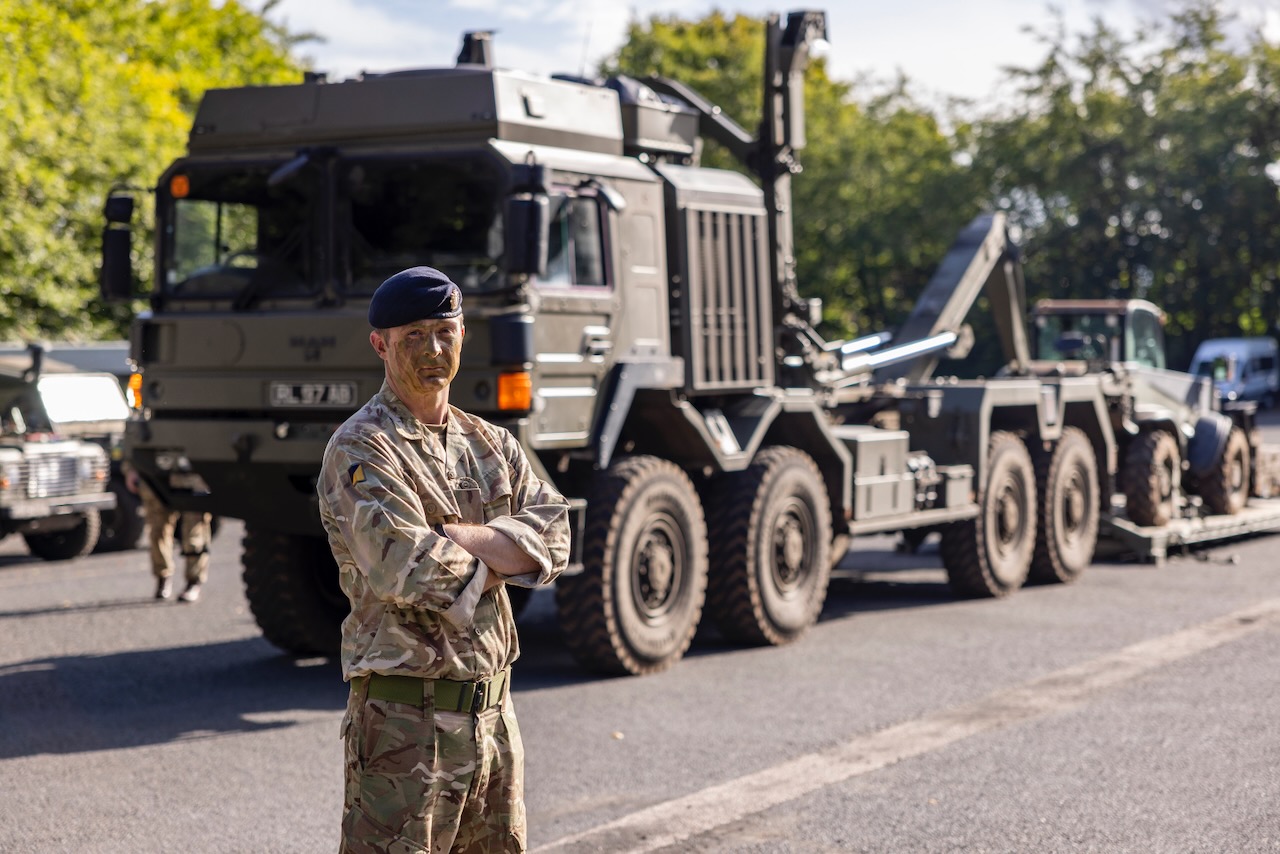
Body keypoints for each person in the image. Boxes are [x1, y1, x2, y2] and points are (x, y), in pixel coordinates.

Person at [317, 266, 570, 853]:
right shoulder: (361, 447)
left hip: (494, 718)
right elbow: (406, 568)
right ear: (380, 344)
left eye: (444, 331)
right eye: (412, 337)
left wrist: (454, 534)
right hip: (406, 724)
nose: (432, 350)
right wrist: (508, 551)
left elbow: (555, 536)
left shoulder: (491, 443)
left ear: (463, 335)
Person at [124, 464, 213, 602]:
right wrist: (131, 468)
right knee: (157, 531)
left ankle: (193, 581)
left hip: (193, 472)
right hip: (156, 473)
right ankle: (163, 577)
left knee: (194, 532)